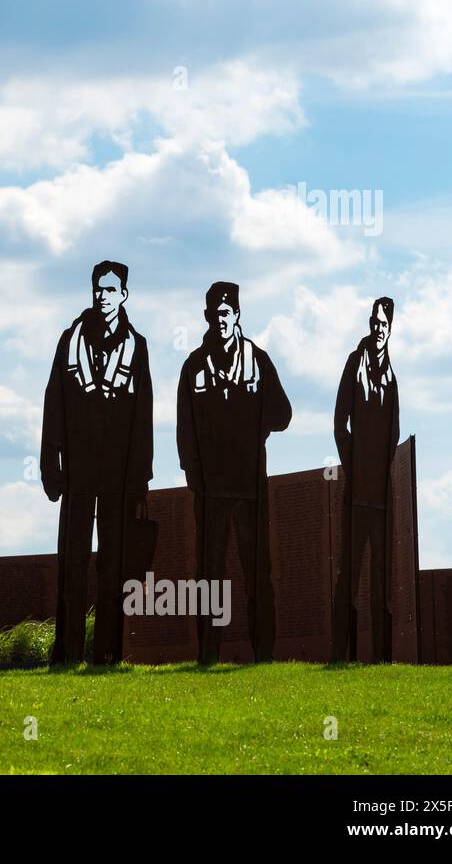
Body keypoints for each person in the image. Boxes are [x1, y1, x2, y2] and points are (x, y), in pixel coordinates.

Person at [41, 261, 153, 664]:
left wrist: (142, 475)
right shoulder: (69, 340)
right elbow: (53, 403)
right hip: (76, 471)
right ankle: (66, 652)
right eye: (98, 289)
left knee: (113, 567)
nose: (103, 296)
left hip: (119, 475)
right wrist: (48, 463)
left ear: (124, 294)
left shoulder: (137, 345)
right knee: (71, 564)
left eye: (111, 289)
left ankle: (108, 652)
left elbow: (144, 414)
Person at [177, 281, 291, 665]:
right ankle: (207, 655)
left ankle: (264, 655)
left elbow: (283, 415)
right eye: (215, 314)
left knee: (258, 573)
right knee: (208, 577)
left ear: (238, 315)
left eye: (227, 314)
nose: (221, 320)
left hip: (249, 488)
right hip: (209, 490)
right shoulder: (193, 365)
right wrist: (195, 477)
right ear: (207, 317)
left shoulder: (257, 360)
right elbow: (184, 429)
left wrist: (249, 427)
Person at [331, 297, 399, 663]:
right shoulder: (353, 364)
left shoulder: (391, 375)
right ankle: (342, 654)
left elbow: (394, 429)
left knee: (381, 581)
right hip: (357, 492)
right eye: (374, 321)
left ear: (391, 328)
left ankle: (382, 658)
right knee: (349, 575)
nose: (378, 328)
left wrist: (381, 470)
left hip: (381, 495)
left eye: (384, 324)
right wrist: (355, 465)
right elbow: (340, 422)